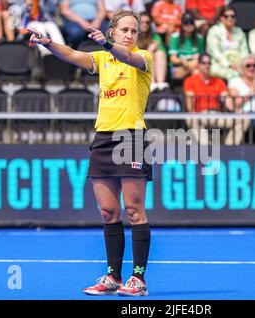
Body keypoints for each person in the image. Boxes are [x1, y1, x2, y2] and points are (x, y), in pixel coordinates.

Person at [28, 9, 153, 297]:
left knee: (134, 211)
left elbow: (128, 57)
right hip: (103, 138)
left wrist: (110, 46)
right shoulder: (101, 59)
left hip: (131, 138)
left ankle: (138, 279)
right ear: (112, 31)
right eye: (124, 30)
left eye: (134, 30)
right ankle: (114, 278)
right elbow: (71, 55)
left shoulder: (142, 58)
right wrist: (48, 43)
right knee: (109, 212)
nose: (130, 35)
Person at [184, 53, 249, 145]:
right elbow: (189, 101)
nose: (207, 66)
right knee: (190, 117)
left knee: (244, 118)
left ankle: (229, 148)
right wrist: (192, 111)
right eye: (204, 63)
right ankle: (207, 146)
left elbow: (227, 100)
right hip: (200, 114)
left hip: (217, 115)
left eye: (209, 63)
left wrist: (236, 110)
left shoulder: (219, 82)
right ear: (198, 65)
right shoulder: (190, 81)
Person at [206, 5, 249, 81]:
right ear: (221, 18)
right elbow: (214, 52)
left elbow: (244, 51)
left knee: (250, 73)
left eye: (232, 16)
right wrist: (229, 64)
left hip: (238, 64)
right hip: (219, 64)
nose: (230, 19)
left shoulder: (239, 31)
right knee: (234, 75)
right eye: (226, 16)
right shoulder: (214, 31)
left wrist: (242, 64)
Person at [168, 11, 204, 81]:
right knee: (180, 73)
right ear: (182, 25)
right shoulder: (175, 37)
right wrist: (183, 61)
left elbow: (202, 56)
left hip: (194, 65)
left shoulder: (199, 38)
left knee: (196, 72)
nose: (189, 25)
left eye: (191, 22)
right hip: (179, 65)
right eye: (186, 23)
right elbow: (173, 59)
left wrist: (192, 62)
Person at [137, 11, 169, 91]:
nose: (145, 24)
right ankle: (151, 82)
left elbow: (161, 52)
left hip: (150, 64)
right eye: (142, 22)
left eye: (147, 22)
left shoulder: (155, 36)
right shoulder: (133, 35)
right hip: (137, 65)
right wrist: (149, 50)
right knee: (150, 53)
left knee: (160, 53)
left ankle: (160, 83)